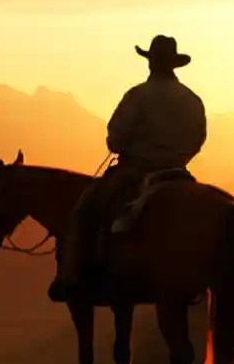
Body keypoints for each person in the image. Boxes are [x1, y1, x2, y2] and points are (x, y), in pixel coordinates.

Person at [48, 35, 208, 302]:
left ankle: (73, 275)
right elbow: (199, 138)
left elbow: (115, 137)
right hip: (179, 171)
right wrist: (178, 156)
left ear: (151, 63)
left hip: (137, 170)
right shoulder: (192, 100)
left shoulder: (138, 95)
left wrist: (127, 146)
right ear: (174, 65)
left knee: (85, 209)